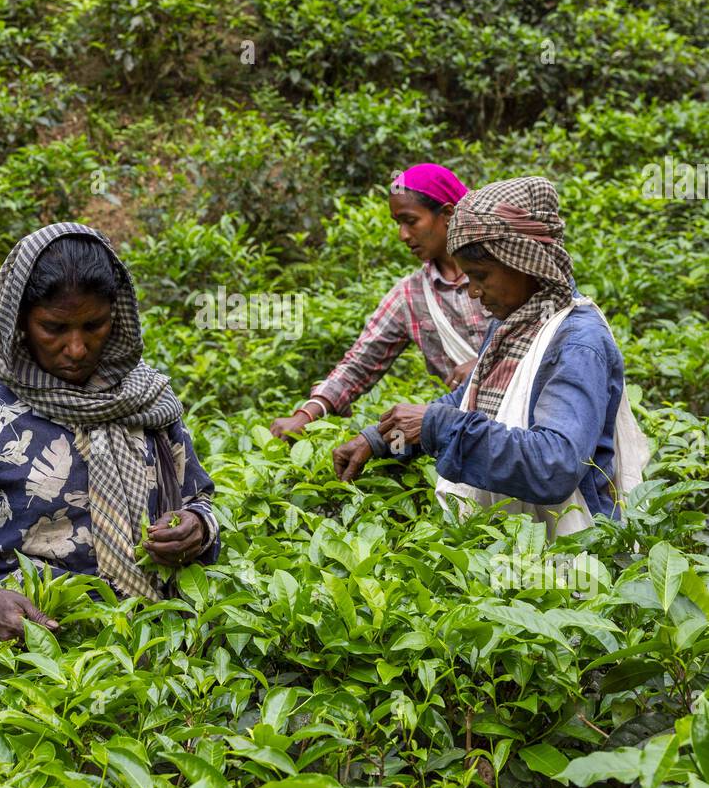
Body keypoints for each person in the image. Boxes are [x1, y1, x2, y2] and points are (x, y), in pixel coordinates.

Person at [0, 223, 220, 640]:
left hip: (164, 645)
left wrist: (196, 526)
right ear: (21, 323)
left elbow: (199, 501)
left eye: (94, 325)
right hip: (39, 663)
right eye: (54, 328)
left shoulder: (148, 399)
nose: (77, 348)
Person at [369, 177, 649, 533]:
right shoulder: (514, 322)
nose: (472, 291)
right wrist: (380, 438)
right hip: (516, 548)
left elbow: (554, 465)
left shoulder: (577, 342)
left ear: (525, 263)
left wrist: (437, 425)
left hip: (577, 556)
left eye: (481, 276)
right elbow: (471, 398)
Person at [269, 163, 488, 482]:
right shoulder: (411, 296)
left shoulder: (503, 270)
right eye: (397, 223)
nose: (402, 235)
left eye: (410, 221)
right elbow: (359, 365)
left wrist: (485, 364)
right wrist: (306, 414)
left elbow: (549, 334)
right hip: (469, 436)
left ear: (448, 214)